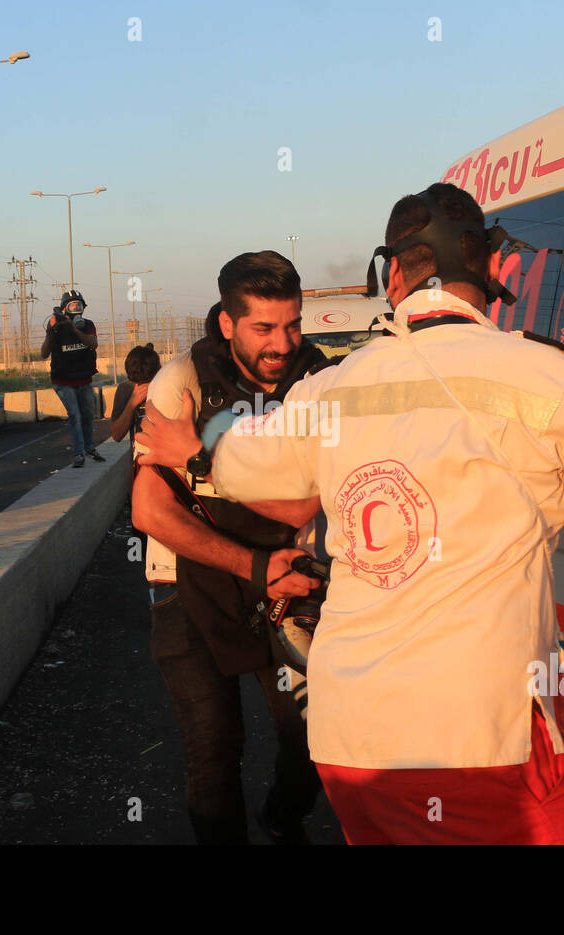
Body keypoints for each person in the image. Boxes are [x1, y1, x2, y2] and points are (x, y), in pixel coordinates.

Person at [137, 184, 564, 845]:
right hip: (478, 740)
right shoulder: (547, 377)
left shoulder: (331, 387)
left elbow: (240, 466)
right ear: (493, 269)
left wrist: (194, 451)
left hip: (351, 736)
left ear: (393, 272)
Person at [131, 252, 335, 844]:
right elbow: (150, 509)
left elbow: (303, 504)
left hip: (291, 579)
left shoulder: (319, 381)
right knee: (214, 750)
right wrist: (252, 563)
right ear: (227, 322)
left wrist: (199, 457)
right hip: (193, 579)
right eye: (264, 329)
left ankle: (283, 817)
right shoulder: (182, 382)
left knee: (311, 738)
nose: (283, 344)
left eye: (293, 325)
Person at [40, 290, 104, 468]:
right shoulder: (57, 329)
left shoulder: (88, 325)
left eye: (79, 305)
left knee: (88, 415)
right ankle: (79, 454)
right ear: (64, 309)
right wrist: (51, 331)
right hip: (63, 381)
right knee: (75, 415)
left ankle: (89, 447)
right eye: (72, 306)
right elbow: (44, 353)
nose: (77, 309)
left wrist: (74, 329)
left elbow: (93, 343)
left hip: (84, 379)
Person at [110, 343, 161, 445]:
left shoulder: (166, 386)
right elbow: (116, 435)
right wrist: (131, 404)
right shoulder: (126, 389)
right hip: (140, 458)